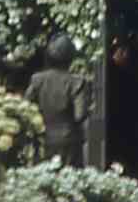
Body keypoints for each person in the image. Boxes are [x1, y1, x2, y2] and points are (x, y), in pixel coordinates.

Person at [26, 35, 92, 166]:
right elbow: (80, 115)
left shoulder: (37, 80)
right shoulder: (77, 83)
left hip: (42, 139)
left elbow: (26, 107)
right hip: (69, 143)